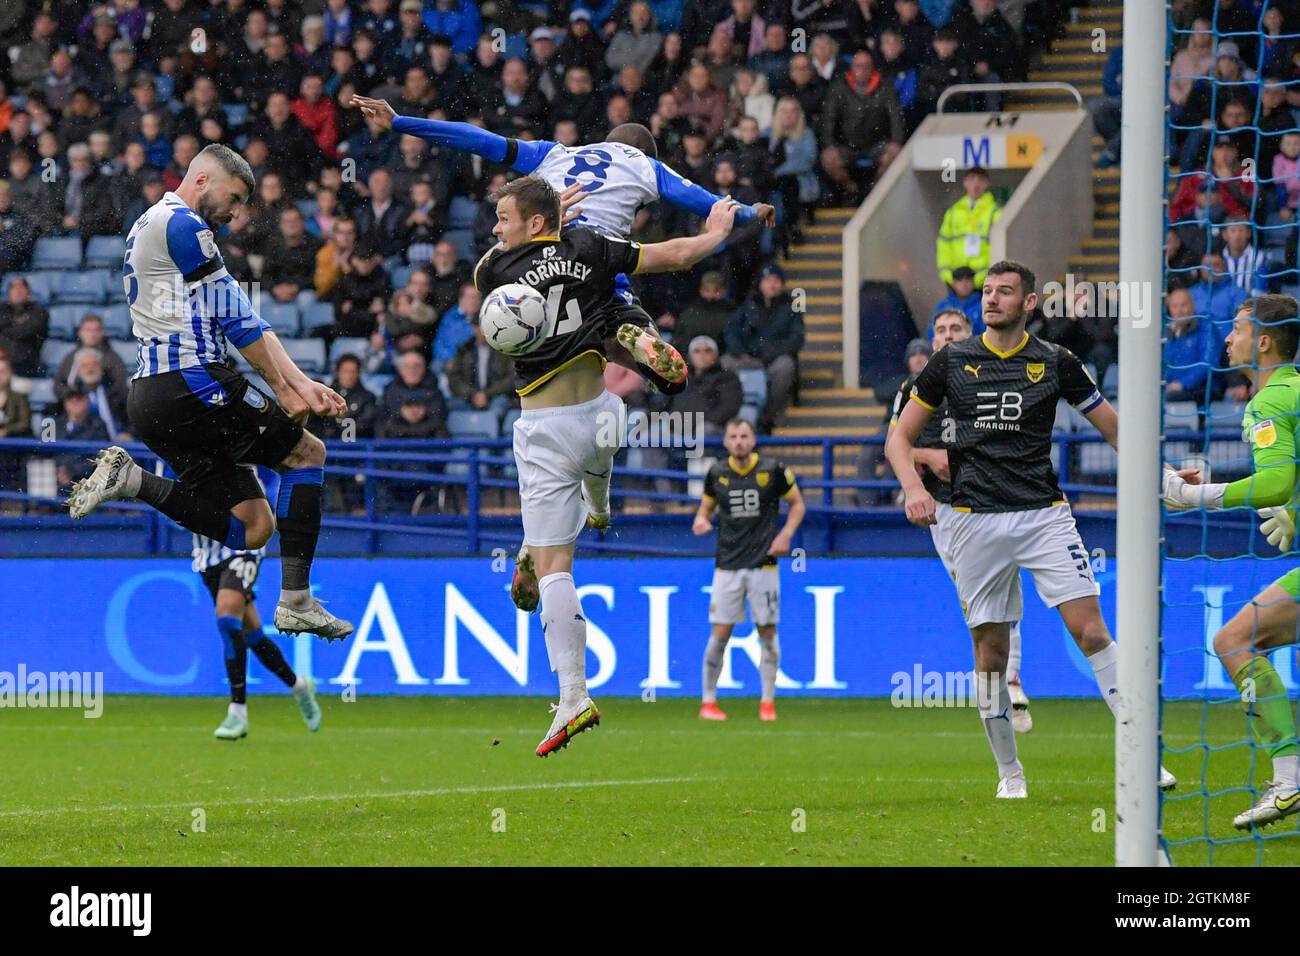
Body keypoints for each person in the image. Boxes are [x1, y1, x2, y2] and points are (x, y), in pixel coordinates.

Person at [886, 260, 1176, 798]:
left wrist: (1165, 476)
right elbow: (898, 439)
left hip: (1043, 515)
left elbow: (1117, 431)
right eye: (988, 292)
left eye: (1004, 292)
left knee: (1091, 630)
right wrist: (915, 488)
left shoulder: (1056, 361)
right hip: (974, 523)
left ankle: (1143, 757)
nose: (991, 299)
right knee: (990, 655)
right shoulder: (952, 361)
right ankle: (1010, 774)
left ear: (1029, 303)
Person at [473, 176, 739, 756]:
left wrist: (530, 233)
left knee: (553, 571)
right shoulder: (589, 247)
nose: (496, 227)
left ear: (534, 222)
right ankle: (599, 496)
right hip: (602, 414)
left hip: (544, 430)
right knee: (607, 415)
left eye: (503, 217)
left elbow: (489, 261)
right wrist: (716, 233)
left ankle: (573, 697)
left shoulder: (496, 275)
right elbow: (671, 255)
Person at [65, 143, 353, 641]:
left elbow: (245, 316)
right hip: (194, 382)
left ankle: (132, 481)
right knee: (308, 454)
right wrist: (286, 388)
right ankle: (296, 601)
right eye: (234, 197)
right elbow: (239, 322)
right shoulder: (185, 224)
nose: (236, 212)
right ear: (202, 180)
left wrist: (297, 384)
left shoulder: (149, 224)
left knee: (254, 528)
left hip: (152, 399)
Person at [1166, 296, 1300, 829]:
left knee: (1232, 641)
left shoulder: (1267, 402)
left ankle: (1289, 780)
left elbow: (1275, 482)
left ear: (1264, 341)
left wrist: (1194, 498)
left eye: (1238, 329)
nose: (1227, 338)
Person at [889, 307, 1032, 732]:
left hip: (995, 497)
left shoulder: (993, 376)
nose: (948, 335)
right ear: (932, 341)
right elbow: (895, 444)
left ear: (972, 334)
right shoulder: (915, 387)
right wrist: (930, 459)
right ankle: (1000, 685)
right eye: (941, 330)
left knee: (1004, 581)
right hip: (946, 509)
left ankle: (1012, 679)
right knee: (977, 600)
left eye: (956, 329)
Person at [194, 466, 323, 740]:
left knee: (227, 620)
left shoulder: (233, 437)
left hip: (244, 545)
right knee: (251, 634)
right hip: (206, 555)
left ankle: (237, 711)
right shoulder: (183, 448)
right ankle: (299, 686)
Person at [694, 416, 805, 722]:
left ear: (753, 439)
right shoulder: (716, 472)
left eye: (744, 435)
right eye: (733, 436)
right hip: (727, 564)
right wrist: (701, 520)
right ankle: (708, 702)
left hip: (764, 564)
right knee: (720, 633)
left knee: (767, 632)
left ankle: (767, 701)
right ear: (727, 441)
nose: (739, 441)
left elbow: (797, 504)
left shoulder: (774, 470)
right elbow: (705, 509)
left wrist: (785, 535)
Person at [936, 165, 1002, 289]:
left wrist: (984, 278)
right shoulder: (953, 213)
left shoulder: (994, 212)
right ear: (965, 183)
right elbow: (943, 245)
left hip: (984, 281)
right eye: (971, 179)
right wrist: (947, 276)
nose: (976, 184)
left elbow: (998, 248)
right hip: (956, 280)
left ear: (986, 184)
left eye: (980, 179)